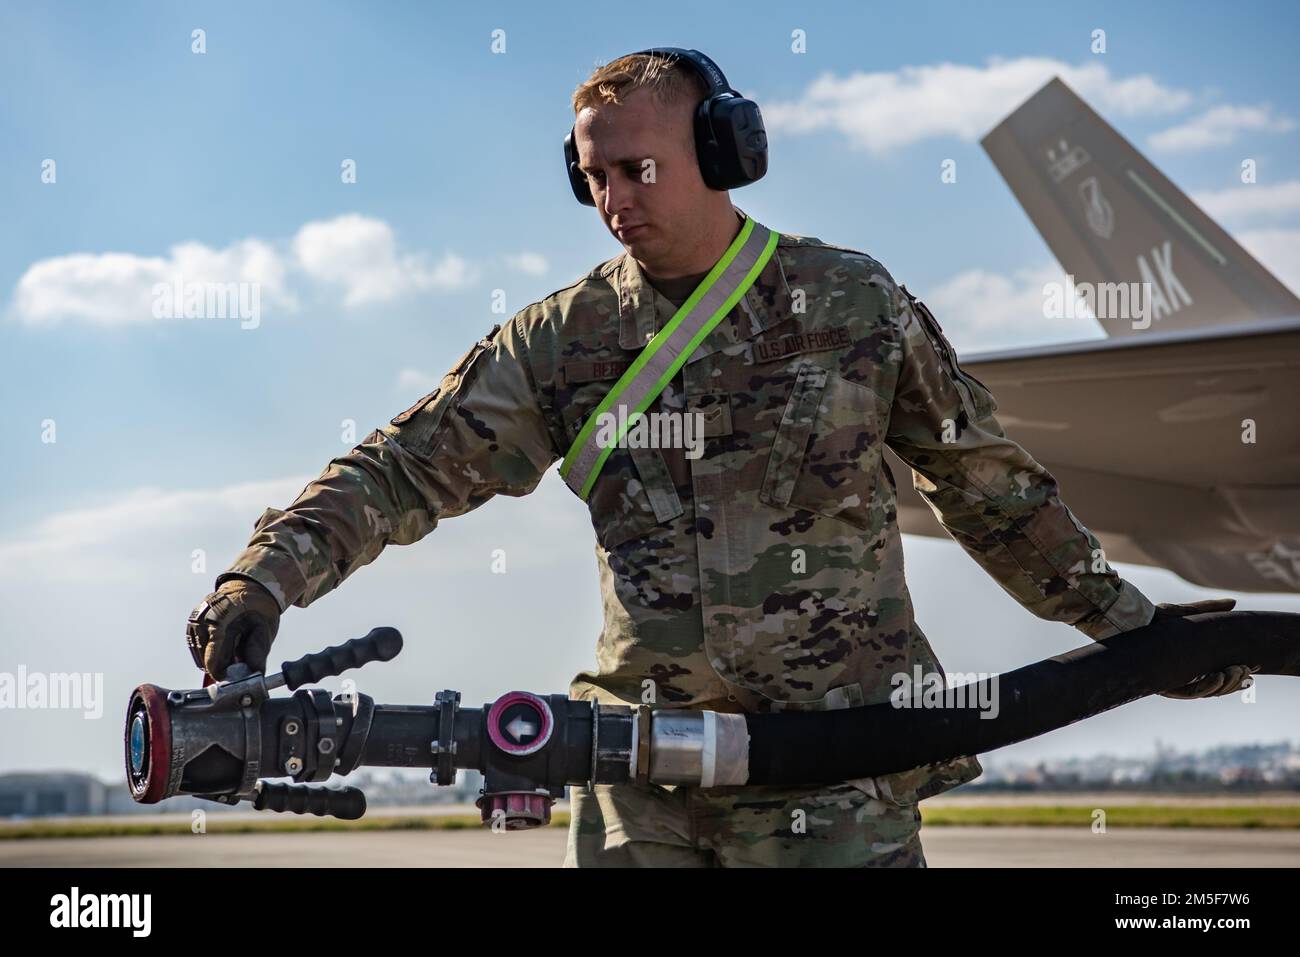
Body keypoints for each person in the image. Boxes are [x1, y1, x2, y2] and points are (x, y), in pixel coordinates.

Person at [186, 49, 1255, 867]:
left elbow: (988, 491)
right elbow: (402, 470)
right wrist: (264, 577)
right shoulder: (564, 341)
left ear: (727, 153)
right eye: (594, 177)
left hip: (836, 773)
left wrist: (1135, 638)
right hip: (639, 779)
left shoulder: (850, 305)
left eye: (639, 169)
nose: (615, 203)